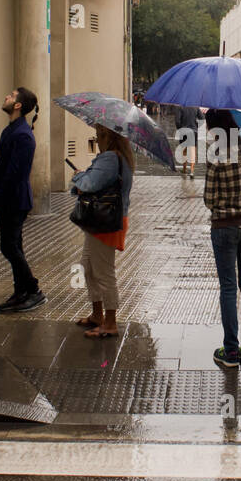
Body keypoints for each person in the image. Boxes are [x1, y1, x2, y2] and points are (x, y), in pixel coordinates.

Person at [203, 109, 241, 363]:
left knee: (228, 287)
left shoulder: (216, 154)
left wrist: (222, 202)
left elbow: (209, 199)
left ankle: (230, 351)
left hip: (225, 226)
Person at [72, 125, 135, 339]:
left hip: (105, 221)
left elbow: (89, 184)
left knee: (103, 272)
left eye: (98, 135)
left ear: (108, 136)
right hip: (104, 220)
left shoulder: (110, 158)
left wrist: (78, 177)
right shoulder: (120, 157)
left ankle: (110, 323)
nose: (96, 139)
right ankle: (97, 314)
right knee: (88, 267)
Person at [0, 87, 45, 314]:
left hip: (15, 201)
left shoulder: (22, 135)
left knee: (9, 247)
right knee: (14, 246)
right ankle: (21, 291)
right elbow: (0, 167)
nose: (6, 97)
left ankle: (33, 290)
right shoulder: (11, 130)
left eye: (11, 95)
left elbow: (14, 174)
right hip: (8, 199)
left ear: (18, 105)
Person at [175, 105, 201, 181]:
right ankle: (192, 171)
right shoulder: (196, 107)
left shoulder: (180, 107)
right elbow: (202, 118)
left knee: (184, 151)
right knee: (193, 151)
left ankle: (184, 169)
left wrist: (180, 129)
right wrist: (196, 126)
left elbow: (177, 121)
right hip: (194, 131)